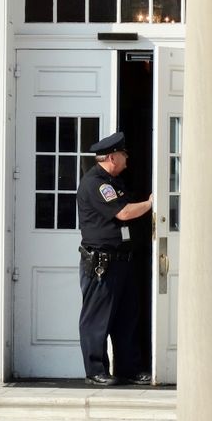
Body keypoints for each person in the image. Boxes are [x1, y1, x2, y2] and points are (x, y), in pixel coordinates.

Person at [76, 131, 153, 386]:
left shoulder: (114, 181)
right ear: (111, 157)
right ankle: (95, 370)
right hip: (101, 262)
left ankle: (128, 368)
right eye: (123, 155)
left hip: (121, 260)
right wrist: (152, 204)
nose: (127, 160)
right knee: (97, 319)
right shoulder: (97, 183)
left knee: (126, 317)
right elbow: (124, 213)